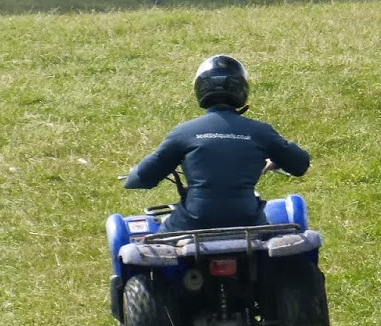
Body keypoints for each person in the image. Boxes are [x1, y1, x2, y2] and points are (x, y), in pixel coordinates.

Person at [124, 55, 311, 231]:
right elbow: (299, 164)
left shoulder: (183, 132)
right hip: (248, 221)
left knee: (152, 243)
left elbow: (143, 176)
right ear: (242, 88)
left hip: (192, 223)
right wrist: (276, 159)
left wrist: (133, 175)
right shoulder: (260, 131)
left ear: (200, 88)